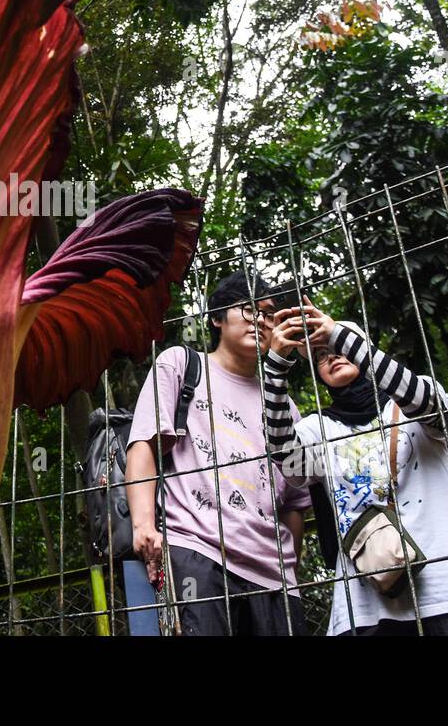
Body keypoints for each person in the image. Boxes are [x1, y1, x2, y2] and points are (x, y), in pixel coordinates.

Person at [262, 299, 448, 635]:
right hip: (367, 605)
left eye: (336, 347)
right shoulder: (318, 428)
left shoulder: (411, 397)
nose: (330, 355)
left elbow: (427, 404)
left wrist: (337, 333)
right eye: (320, 356)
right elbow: (287, 462)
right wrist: (276, 365)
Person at [125, 271, 312, 635]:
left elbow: (295, 500)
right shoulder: (181, 364)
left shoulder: (285, 406)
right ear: (216, 318)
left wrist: (291, 564)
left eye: (269, 313)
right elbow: (144, 443)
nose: (260, 320)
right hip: (197, 552)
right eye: (248, 309)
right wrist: (144, 525)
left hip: (275, 577)